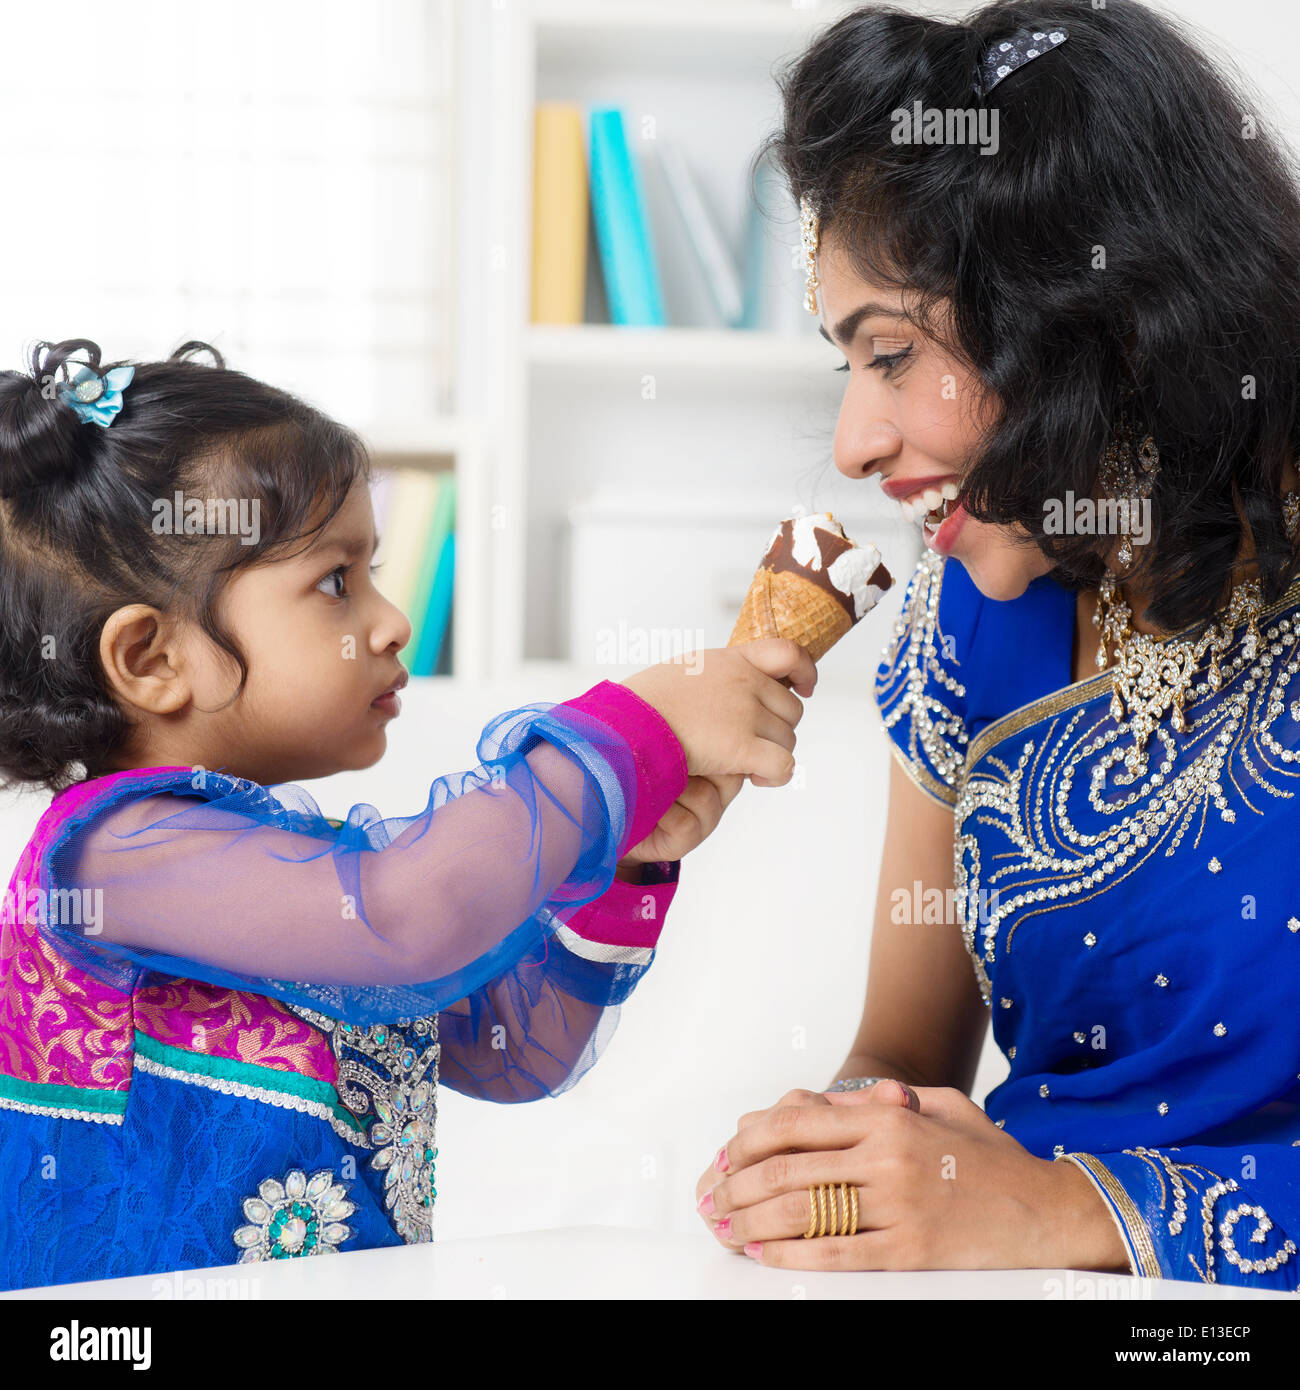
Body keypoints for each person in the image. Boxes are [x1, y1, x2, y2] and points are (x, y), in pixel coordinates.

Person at [695, 0, 1300, 1290]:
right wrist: (835, 1154)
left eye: (892, 353)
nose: (854, 443)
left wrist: (1060, 1208)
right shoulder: (973, 605)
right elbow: (906, 1060)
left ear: (1096, 307)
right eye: (846, 366)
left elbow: (1027, 1200)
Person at [0, 336, 817, 1291]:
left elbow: (520, 1048)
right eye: (336, 583)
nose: (392, 621)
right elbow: (407, 915)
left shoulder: (297, 875)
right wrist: (628, 735)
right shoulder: (110, 857)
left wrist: (626, 860)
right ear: (152, 659)